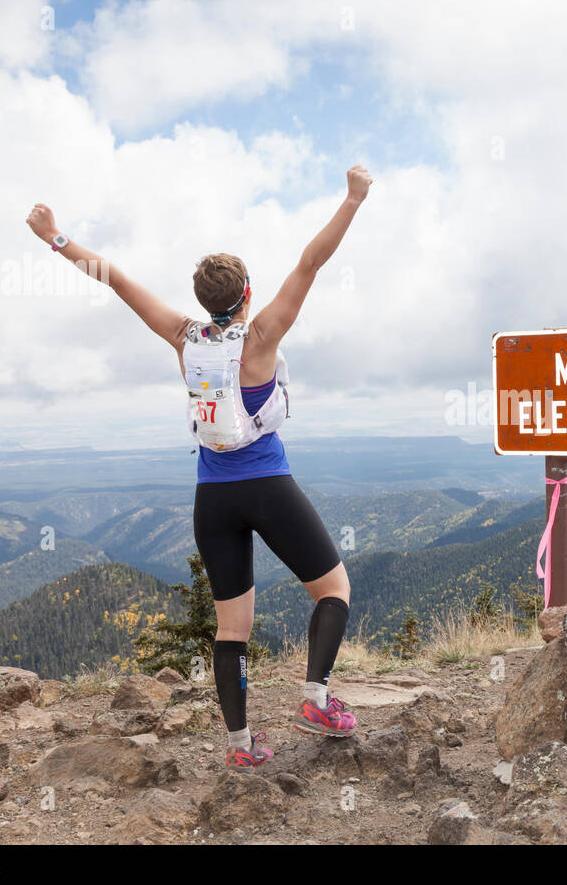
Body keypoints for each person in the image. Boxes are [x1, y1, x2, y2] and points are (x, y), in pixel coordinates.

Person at [26, 165, 374, 767]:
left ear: (203, 301)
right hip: (267, 484)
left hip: (212, 497)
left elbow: (116, 280)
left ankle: (242, 748)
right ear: (246, 294)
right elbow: (312, 262)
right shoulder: (262, 335)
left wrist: (55, 238)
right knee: (334, 589)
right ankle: (316, 697)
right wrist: (353, 199)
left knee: (231, 628)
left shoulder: (182, 336)